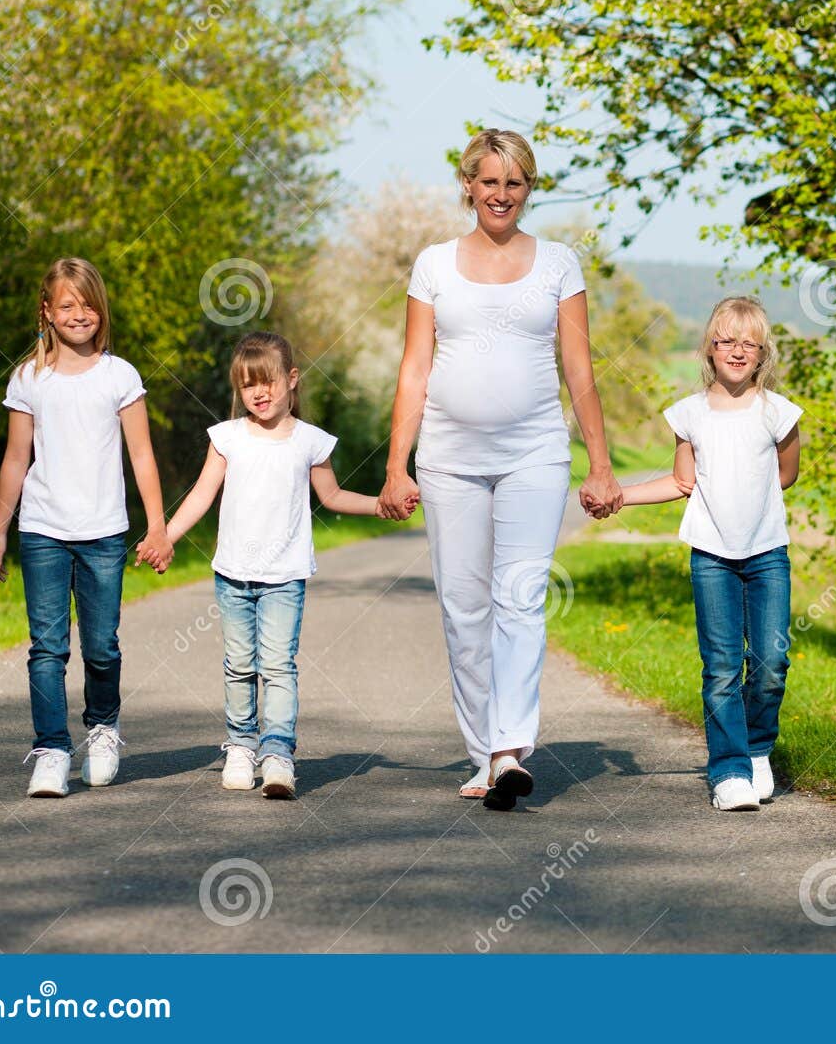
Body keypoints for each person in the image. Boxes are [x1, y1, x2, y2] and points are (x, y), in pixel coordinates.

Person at [378, 128, 622, 810]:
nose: (501, 194)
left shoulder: (558, 264)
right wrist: (397, 466)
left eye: (514, 183)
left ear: (529, 189)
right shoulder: (433, 264)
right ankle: (487, 748)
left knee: (519, 597)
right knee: (464, 606)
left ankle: (510, 747)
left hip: (535, 453)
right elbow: (414, 367)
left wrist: (600, 463)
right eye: (490, 182)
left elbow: (579, 367)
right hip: (450, 459)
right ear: (468, 186)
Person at [146, 331, 396, 800]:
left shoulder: (309, 441)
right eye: (247, 385)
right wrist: (165, 535)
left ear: (292, 380)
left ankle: (278, 752)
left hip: (285, 577)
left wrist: (379, 505)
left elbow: (333, 496)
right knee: (239, 665)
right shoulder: (227, 437)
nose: (258, 393)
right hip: (233, 574)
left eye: (267, 381)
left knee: (279, 665)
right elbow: (202, 493)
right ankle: (241, 745)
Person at [0, 257, 171, 799]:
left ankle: (103, 728)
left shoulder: (120, 375)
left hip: (104, 532)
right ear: (46, 311)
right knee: (46, 647)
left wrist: (157, 526)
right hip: (42, 529)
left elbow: (142, 455)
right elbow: (16, 459)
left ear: (101, 309)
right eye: (67, 305)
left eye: (88, 304)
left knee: (101, 645)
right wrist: (0, 530)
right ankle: (51, 750)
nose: (79, 314)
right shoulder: (28, 378)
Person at [619, 296, 801, 812]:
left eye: (749, 343)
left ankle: (758, 748)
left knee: (771, 661)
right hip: (711, 556)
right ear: (709, 348)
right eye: (727, 340)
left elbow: (786, 474)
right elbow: (681, 481)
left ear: (763, 353)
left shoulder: (778, 412)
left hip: (767, 553)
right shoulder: (690, 414)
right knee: (721, 665)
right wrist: (619, 494)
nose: (737, 351)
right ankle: (728, 771)